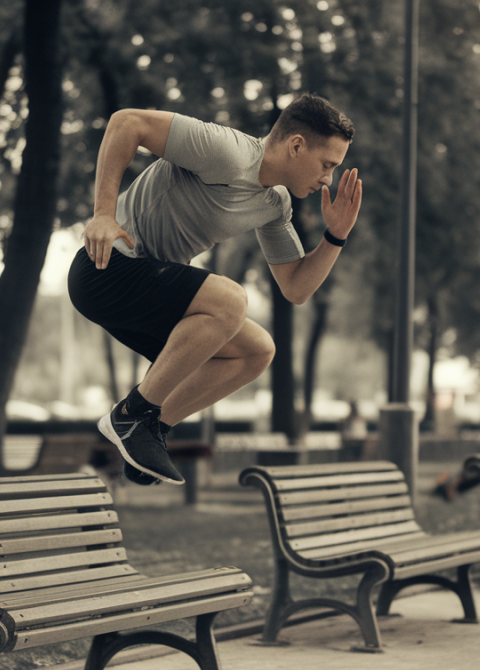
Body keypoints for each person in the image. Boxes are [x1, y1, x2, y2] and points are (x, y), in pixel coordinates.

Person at [69, 93, 362, 485]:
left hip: (145, 289)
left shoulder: (275, 204)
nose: (329, 177)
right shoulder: (227, 152)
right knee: (229, 300)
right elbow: (126, 122)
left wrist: (336, 237)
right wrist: (103, 214)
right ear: (296, 146)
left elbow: (295, 287)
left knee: (257, 351)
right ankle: (130, 417)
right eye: (327, 165)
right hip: (105, 267)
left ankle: (149, 432)